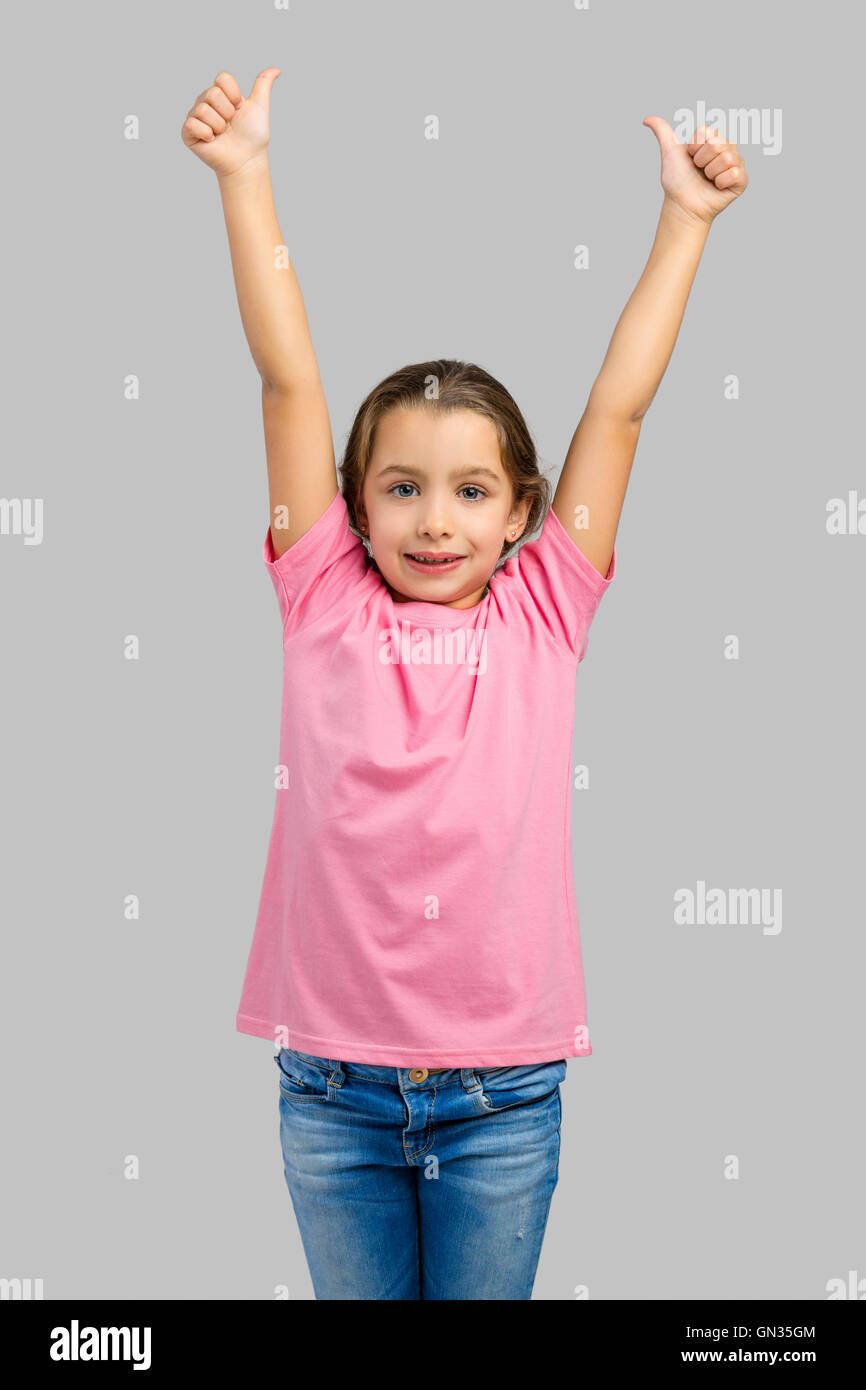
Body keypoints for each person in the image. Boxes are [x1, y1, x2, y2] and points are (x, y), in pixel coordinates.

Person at [181, 67, 748, 1300]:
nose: (434, 521)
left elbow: (620, 407)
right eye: (400, 487)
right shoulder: (319, 592)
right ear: (351, 503)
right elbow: (286, 381)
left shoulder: (546, 609)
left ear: (521, 516)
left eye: (470, 491)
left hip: (502, 1098)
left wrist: (682, 225)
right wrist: (245, 177)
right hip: (332, 1092)